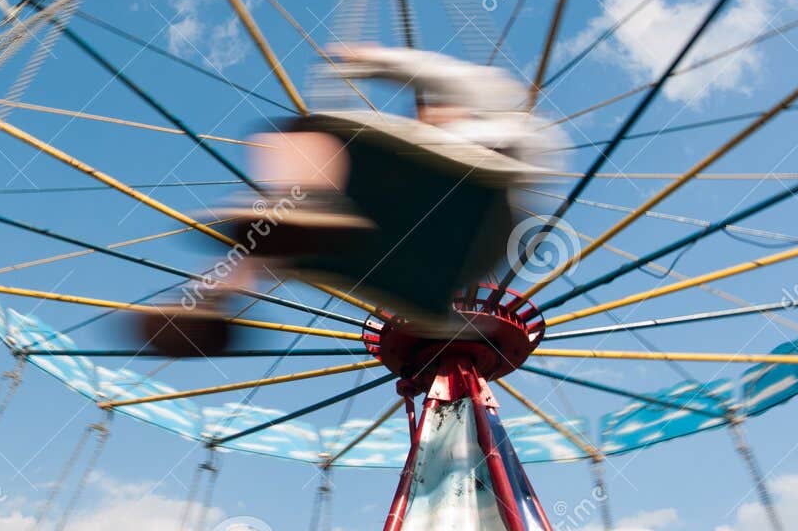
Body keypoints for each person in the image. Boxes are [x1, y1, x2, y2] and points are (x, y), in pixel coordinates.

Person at [138, 45, 554, 354]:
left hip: (478, 191)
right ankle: (211, 300)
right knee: (273, 245)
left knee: (306, 131)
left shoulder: (491, 112)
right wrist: (461, 328)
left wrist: (368, 59)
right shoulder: (421, 175)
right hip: (443, 265)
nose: (424, 117)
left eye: (430, 112)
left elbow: (442, 75)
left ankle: (296, 217)